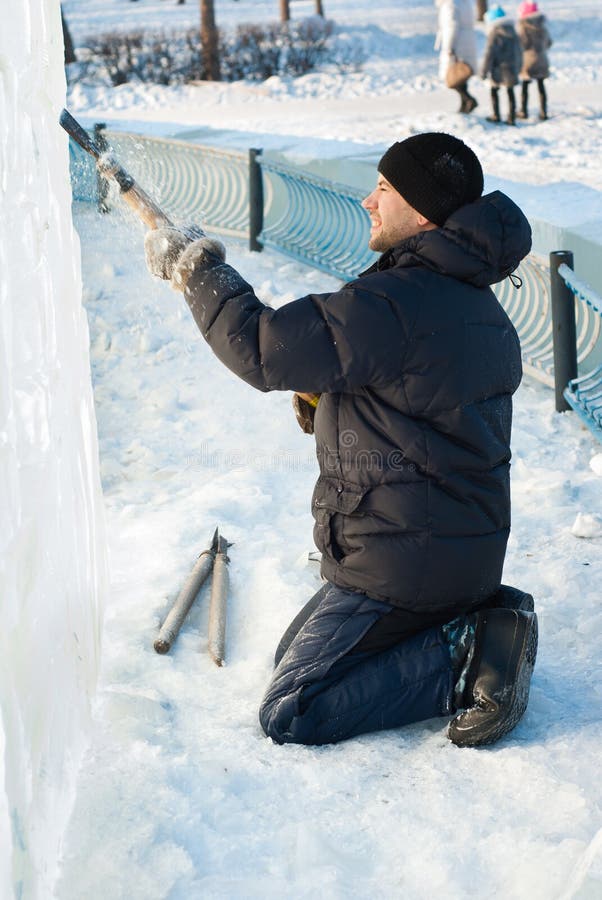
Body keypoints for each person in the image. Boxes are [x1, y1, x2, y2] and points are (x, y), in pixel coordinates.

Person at [144, 131, 538, 748]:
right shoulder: (474, 306)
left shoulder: (396, 303)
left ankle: (468, 656)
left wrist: (198, 270)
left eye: (384, 187)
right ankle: (472, 618)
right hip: (455, 552)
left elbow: (261, 348)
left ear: (424, 211)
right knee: (289, 657)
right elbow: (416, 409)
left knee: (295, 707)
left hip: (408, 562)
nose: (368, 200)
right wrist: (324, 398)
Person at [481, 5, 523, 124]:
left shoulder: (495, 33)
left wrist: (484, 71)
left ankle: (496, 114)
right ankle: (511, 117)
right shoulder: (513, 31)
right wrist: (519, 66)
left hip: (498, 68)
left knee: (494, 90)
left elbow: (489, 53)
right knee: (510, 92)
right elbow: (519, 51)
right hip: (512, 67)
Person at [435, 0, 479, 114]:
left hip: (457, 46)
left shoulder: (450, 5)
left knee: (453, 77)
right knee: (461, 75)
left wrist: (449, 47)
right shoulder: (464, 3)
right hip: (466, 43)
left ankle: (468, 100)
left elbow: (451, 26)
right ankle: (464, 104)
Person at [516, 1, 553, 121]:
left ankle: (524, 110)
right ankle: (543, 112)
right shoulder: (542, 26)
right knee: (541, 85)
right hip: (542, 59)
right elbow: (549, 42)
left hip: (528, 61)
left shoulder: (524, 26)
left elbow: (523, 44)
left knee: (525, 86)